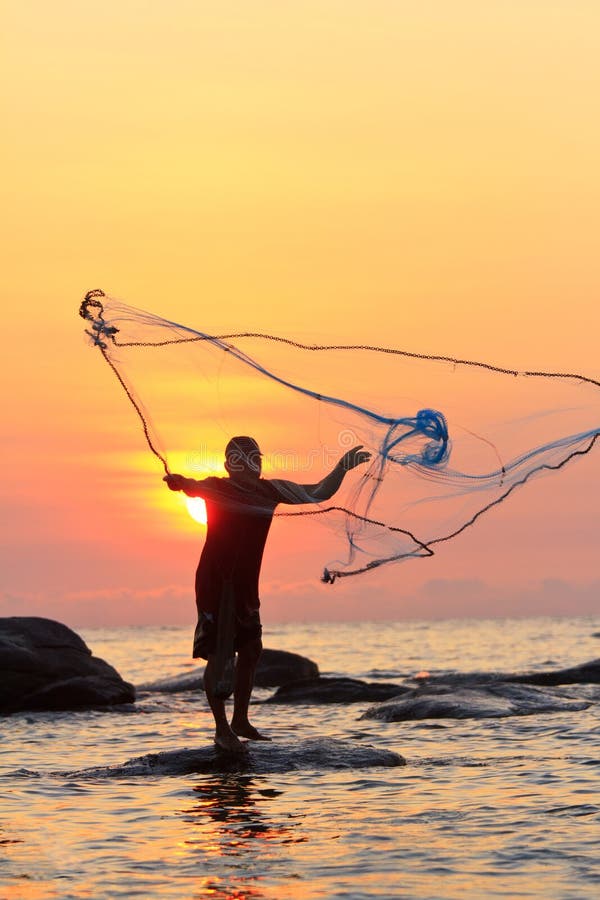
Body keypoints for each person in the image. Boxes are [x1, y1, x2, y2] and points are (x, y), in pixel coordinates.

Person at [164, 435, 371, 753]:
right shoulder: (217, 487)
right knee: (221, 655)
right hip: (215, 584)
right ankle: (221, 730)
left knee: (252, 650)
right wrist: (177, 481)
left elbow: (317, 492)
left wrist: (342, 468)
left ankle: (241, 720)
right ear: (229, 466)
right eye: (243, 460)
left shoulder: (269, 491)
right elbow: (188, 484)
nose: (251, 465)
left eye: (255, 459)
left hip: (247, 585)